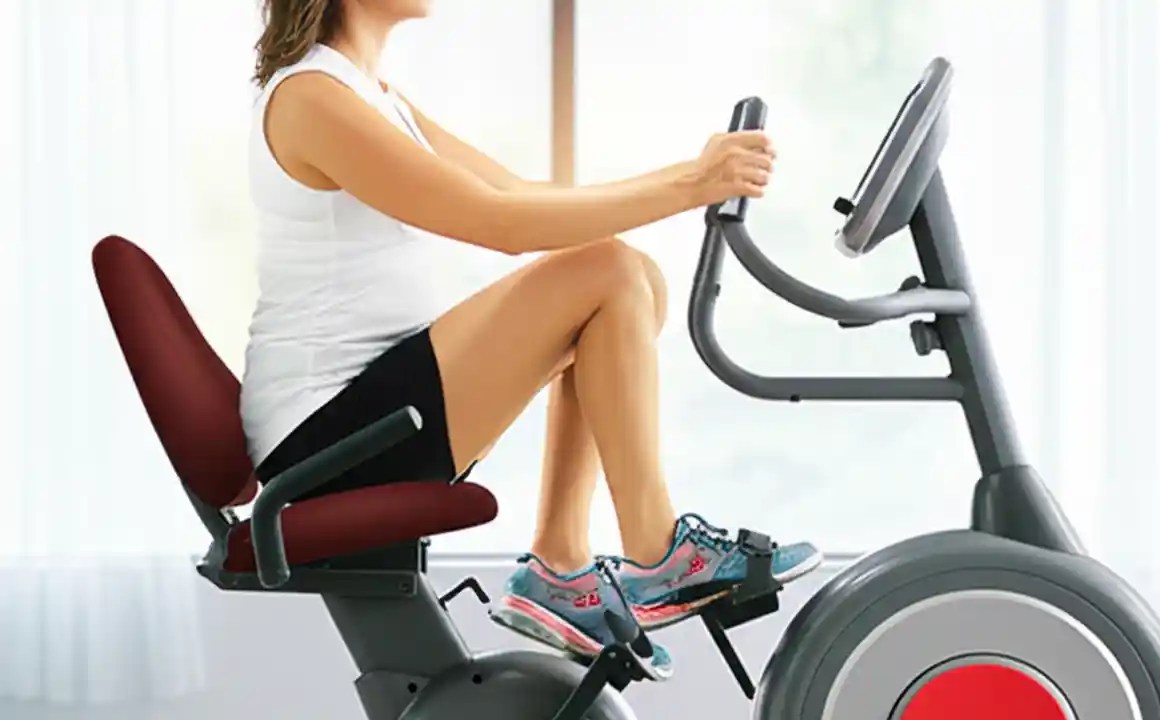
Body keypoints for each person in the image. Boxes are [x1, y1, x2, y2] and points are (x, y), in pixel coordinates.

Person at [240, 0, 822, 674]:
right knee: (608, 272)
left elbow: (515, 190)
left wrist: (692, 175)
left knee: (634, 283)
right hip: (328, 441)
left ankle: (561, 565)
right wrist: (697, 185)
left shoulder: (370, 94)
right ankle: (661, 555)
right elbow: (500, 223)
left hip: (374, 413)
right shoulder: (312, 97)